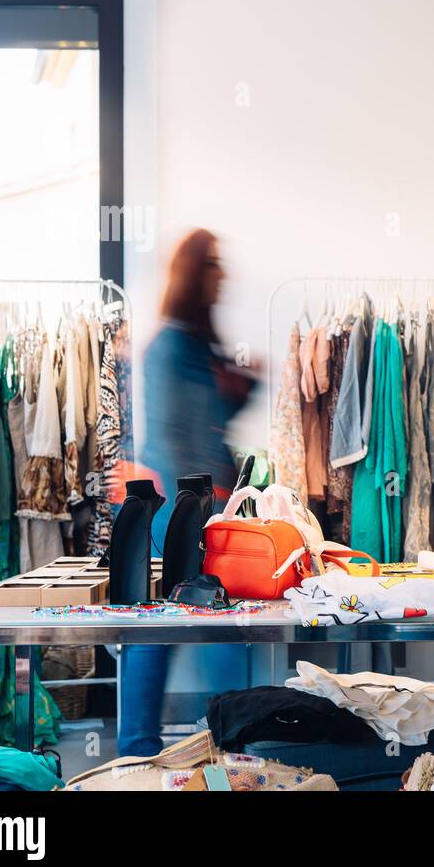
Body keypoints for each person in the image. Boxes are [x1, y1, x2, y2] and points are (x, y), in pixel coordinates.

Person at [117, 229, 258, 758]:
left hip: (198, 509)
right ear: (195, 273)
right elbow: (171, 439)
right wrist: (200, 518)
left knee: (182, 631)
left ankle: (228, 747)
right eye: (215, 265)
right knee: (164, 634)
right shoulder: (172, 345)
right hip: (184, 513)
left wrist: (243, 386)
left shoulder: (195, 344)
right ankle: (143, 753)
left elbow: (206, 426)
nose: (224, 275)